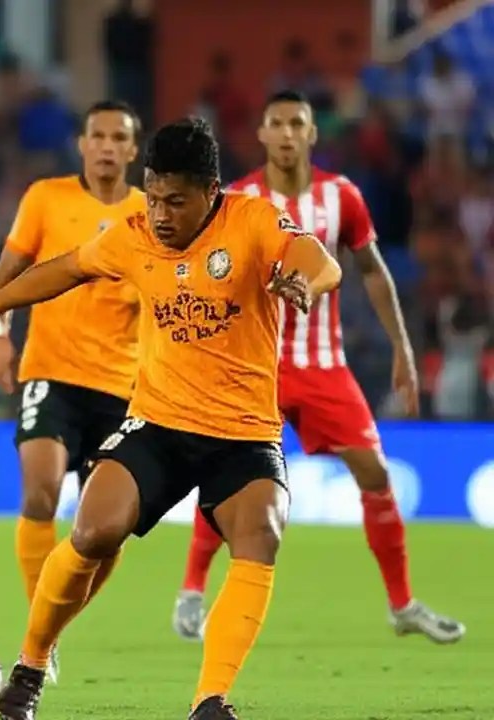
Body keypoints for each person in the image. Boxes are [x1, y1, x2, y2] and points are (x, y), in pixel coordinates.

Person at [0, 117, 344, 720]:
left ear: (211, 192)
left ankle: (210, 701)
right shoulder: (132, 235)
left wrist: (306, 284)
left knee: (260, 534)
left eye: (175, 202)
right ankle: (29, 667)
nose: (160, 214)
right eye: (153, 197)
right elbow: (64, 269)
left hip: (243, 432)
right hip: (160, 421)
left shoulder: (253, 221)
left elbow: (321, 261)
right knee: (91, 532)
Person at [173, 90, 465, 645]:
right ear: (261, 134)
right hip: (253, 366)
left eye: (297, 123)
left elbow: (374, 272)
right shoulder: (235, 200)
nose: (286, 133)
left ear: (312, 134)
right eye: (276, 123)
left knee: (375, 474)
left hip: (324, 366)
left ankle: (402, 606)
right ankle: (191, 589)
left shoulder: (342, 197)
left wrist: (402, 349)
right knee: (223, 476)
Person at [0, 100, 146, 683]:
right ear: (82, 144)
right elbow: (8, 273)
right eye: (97, 135)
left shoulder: (149, 214)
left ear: (133, 150)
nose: (106, 145)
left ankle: (51, 628)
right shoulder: (46, 198)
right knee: (40, 493)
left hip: (125, 386)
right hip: (51, 373)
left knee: (109, 528)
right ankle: (40, 631)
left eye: (119, 137)